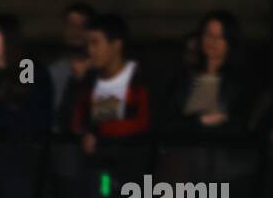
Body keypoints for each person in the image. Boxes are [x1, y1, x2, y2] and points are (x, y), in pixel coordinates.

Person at [70, 12, 151, 153]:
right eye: (88, 44)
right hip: (95, 167)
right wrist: (78, 82)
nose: (90, 50)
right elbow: (75, 124)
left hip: (137, 166)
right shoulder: (89, 81)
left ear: (116, 45)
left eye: (95, 43)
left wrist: (99, 132)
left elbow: (143, 124)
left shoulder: (140, 77)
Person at [161, 10, 250, 138]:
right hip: (183, 151)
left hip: (222, 153)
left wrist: (221, 122)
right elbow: (166, 122)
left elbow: (243, 125)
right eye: (209, 34)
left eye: (220, 36)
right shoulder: (183, 79)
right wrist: (198, 122)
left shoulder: (240, 83)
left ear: (230, 42)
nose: (212, 41)